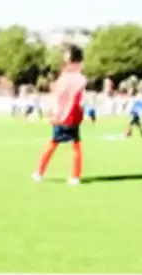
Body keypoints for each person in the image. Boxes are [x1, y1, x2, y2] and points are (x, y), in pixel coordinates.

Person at [33, 45, 87, 186]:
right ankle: (75, 176)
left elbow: (60, 96)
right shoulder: (79, 78)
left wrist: (54, 111)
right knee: (74, 145)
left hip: (62, 116)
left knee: (56, 143)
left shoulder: (67, 77)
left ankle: (39, 172)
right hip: (71, 115)